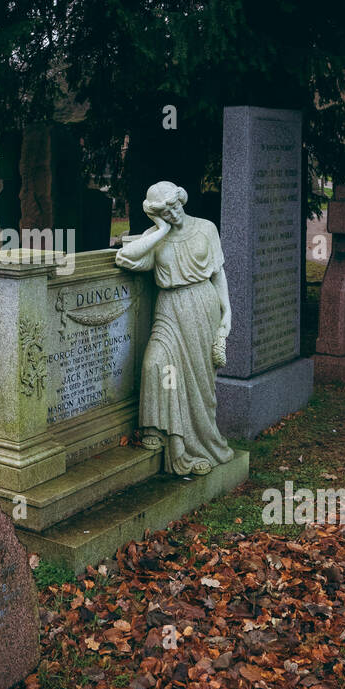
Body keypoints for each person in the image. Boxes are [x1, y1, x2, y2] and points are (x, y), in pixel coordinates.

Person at [115, 181, 234, 476]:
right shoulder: (156, 237)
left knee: (199, 383)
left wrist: (227, 313)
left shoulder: (206, 228)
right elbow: (124, 258)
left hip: (202, 307)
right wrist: (162, 230)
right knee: (157, 362)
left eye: (175, 205)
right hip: (169, 307)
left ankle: (199, 439)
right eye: (165, 211)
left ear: (182, 200)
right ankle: (160, 430)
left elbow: (218, 274)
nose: (173, 213)